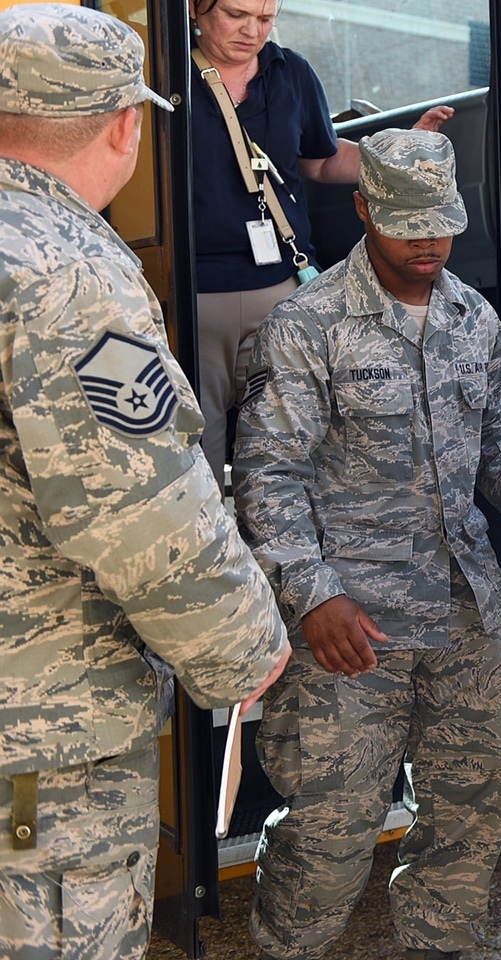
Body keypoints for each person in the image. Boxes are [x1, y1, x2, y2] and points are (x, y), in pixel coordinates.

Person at [233, 127, 501, 960]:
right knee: (330, 830)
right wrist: (313, 595)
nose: (429, 243)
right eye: (408, 224)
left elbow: (494, 432)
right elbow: (268, 477)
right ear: (363, 210)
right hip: (352, 628)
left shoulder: (473, 316)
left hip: (465, 616)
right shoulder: (306, 327)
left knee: (471, 811)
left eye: (442, 224)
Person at [0, 6, 292, 960]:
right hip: (42, 750)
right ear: (127, 126)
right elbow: (144, 513)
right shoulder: (67, 270)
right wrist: (245, 650)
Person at [188, 0, 454, 481]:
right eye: (236, 14)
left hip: (283, 288)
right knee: (198, 446)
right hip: (195, 292)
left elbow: (321, 161)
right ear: (195, 8)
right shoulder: (164, 75)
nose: (253, 30)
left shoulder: (293, 73)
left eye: (266, 18)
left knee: (284, 440)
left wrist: (396, 152)